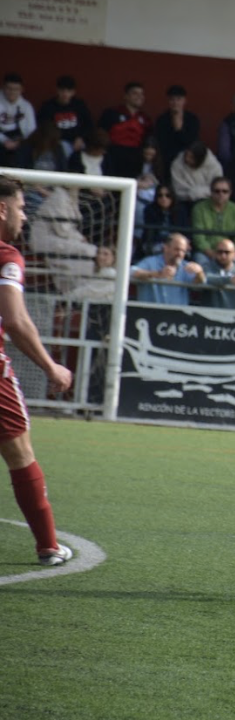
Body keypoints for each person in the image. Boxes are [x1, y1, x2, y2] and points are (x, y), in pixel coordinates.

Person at [0, 176, 76, 566]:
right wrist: (50, 366)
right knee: (20, 453)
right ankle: (48, 545)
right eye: (21, 208)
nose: (24, 217)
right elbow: (13, 318)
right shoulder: (6, 255)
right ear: (2, 209)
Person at [131, 232, 205, 305]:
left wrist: (199, 272)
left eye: (183, 251)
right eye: (177, 249)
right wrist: (158, 274)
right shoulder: (151, 262)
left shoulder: (186, 266)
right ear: (166, 248)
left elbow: (200, 284)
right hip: (151, 314)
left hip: (178, 315)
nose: (180, 254)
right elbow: (131, 272)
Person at [98, 81, 152, 179]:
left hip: (135, 156)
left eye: (141, 94)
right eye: (135, 93)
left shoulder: (145, 118)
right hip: (114, 154)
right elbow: (101, 133)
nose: (139, 96)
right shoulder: (112, 113)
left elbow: (148, 140)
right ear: (126, 96)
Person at [191, 176, 235, 264]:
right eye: (217, 191)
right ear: (211, 192)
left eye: (225, 191)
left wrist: (233, 255)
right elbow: (199, 238)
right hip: (206, 253)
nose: (221, 194)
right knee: (201, 266)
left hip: (230, 254)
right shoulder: (199, 208)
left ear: (230, 193)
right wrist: (213, 254)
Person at [37, 75, 92, 153]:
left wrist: (81, 138)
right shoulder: (48, 107)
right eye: (62, 90)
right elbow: (43, 126)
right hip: (58, 142)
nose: (65, 94)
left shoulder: (79, 105)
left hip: (78, 141)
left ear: (73, 92)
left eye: (69, 91)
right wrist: (54, 140)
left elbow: (89, 124)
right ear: (57, 90)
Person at [140, 183, 190, 257]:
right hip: (156, 243)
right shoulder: (150, 210)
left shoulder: (180, 210)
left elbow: (184, 232)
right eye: (160, 195)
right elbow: (150, 234)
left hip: (177, 243)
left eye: (168, 195)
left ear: (172, 197)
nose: (164, 198)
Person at [153, 84, 200, 162]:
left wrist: (179, 130)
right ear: (168, 101)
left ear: (184, 101)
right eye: (172, 99)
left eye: (179, 99)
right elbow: (161, 144)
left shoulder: (192, 119)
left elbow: (192, 143)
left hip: (187, 161)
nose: (175, 103)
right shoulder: (162, 120)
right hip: (167, 160)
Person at [171, 141, 223, 207]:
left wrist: (199, 193)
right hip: (185, 202)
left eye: (191, 157)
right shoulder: (177, 164)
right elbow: (178, 190)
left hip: (209, 200)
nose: (187, 159)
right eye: (186, 155)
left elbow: (217, 187)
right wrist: (191, 194)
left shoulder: (214, 166)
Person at [1, 74, 36, 156]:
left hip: (19, 141)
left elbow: (31, 130)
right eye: (9, 88)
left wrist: (18, 142)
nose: (12, 92)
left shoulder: (26, 106)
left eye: (16, 89)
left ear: (21, 90)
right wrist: (4, 140)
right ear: (3, 88)